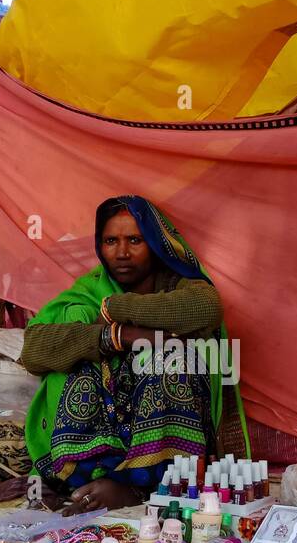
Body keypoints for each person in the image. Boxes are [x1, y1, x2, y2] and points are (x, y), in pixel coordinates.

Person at [20, 195, 239, 514]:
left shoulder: (178, 283)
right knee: (79, 362)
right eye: (111, 241)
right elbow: (34, 350)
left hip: (164, 418)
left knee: (168, 360)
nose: (121, 253)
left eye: (135, 240)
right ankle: (90, 475)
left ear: (154, 242)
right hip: (111, 411)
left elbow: (206, 309)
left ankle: (142, 485)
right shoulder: (89, 289)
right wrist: (115, 336)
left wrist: (115, 307)